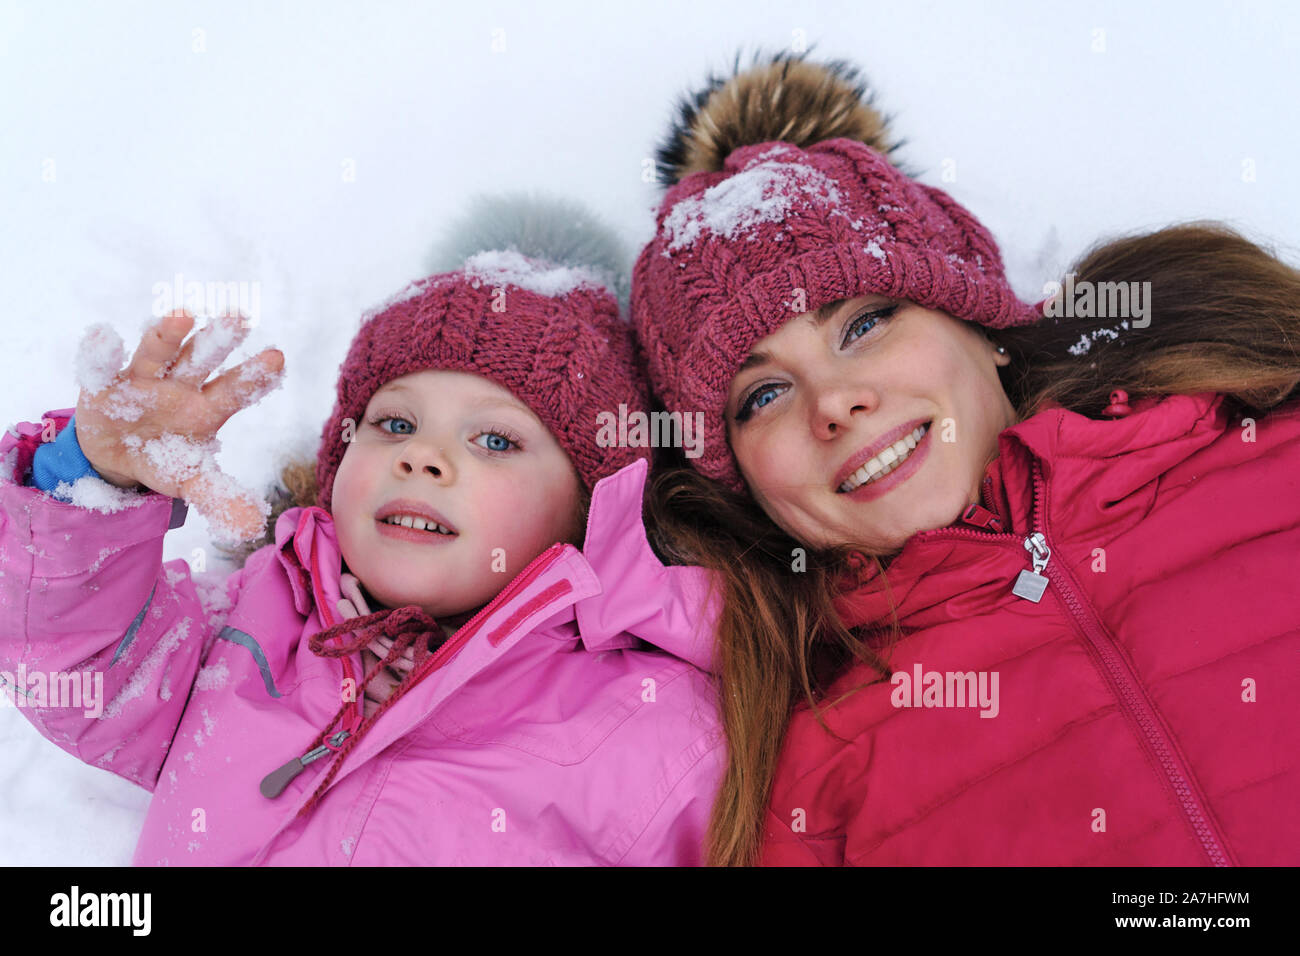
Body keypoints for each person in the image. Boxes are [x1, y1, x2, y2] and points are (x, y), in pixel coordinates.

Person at [632, 52, 1300, 865]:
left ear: (986, 328)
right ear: (746, 489)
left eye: (865, 324)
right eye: (762, 396)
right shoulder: (810, 781)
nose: (833, 403)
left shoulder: (1261, 431)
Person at [0, 195, 724, 866]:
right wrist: (94, 480)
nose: (422, 457)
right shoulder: (251, 635)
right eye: (396, 423)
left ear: (591, 512)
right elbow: (81, 664)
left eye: (496, 441)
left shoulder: (661, 732)